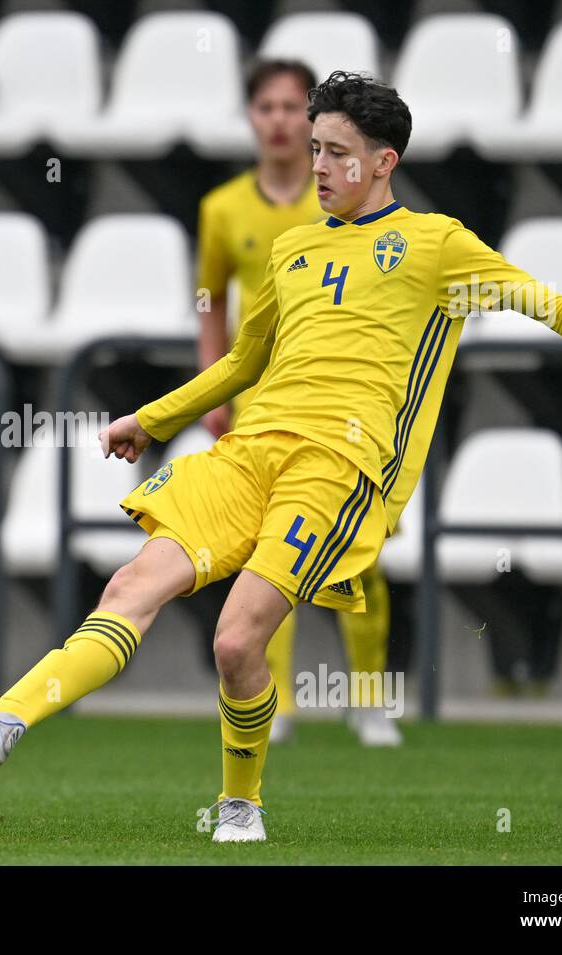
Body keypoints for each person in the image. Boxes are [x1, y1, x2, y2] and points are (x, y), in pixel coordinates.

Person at [0, 71, 562, 844]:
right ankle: (6, 716)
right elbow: (245, 361)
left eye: (337, 152)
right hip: (248, 450)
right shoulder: (292, 249)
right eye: (314, 148)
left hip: (337, 467)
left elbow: (556, 306)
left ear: (384, 162)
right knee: (132, 582)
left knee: (237, 640)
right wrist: (155, 416)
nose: (317, 165)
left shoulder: (439, 245)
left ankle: (240, 804)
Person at [195, 58, 396, 747]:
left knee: (357, 552)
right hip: (264, 402)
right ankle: (271, 701)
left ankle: (368, 699)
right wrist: (211, 388)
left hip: (341, 405)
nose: (280, 121)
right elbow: (210, 301)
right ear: (251, 117)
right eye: (267, 107)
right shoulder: (222, 209)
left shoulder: (339, 197)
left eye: (291, 108)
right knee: (264, 556)